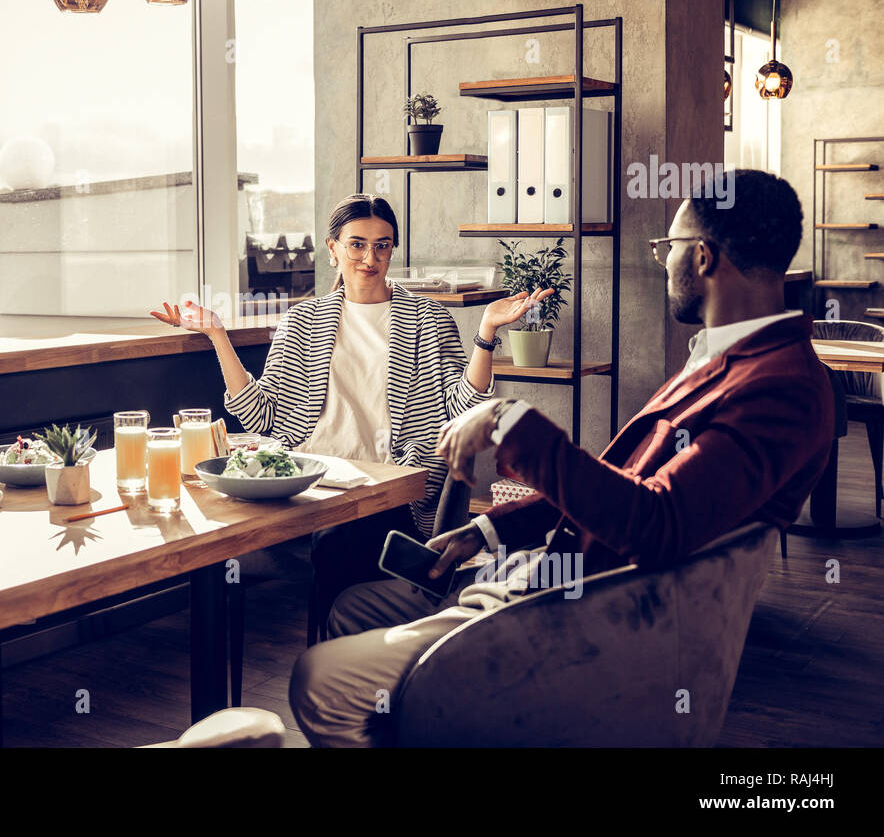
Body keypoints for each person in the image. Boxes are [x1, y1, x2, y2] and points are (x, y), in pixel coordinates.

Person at [289, 169, 835, 747]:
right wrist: (486, 530)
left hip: (579, 619)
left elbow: (657, 521)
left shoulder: (780, 387)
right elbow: (617, 483)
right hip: (546, 577)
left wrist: (509, 422)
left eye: (667, 248)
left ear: (702, 256)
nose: (661, 262)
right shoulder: (729, 359)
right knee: (353, 611)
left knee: (317, 680)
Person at [151, 194, 548, 624]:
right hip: (307, 484)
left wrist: (486, 333)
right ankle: (339, 660)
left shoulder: (428, 318)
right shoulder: (303, 320)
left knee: (339, 539)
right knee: (219, 530)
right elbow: (261, 413)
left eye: (382, 245)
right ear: (333, 247)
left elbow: (462, 407)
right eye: (357, 244)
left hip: (387, 489)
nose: (369, 257)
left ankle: (332, 665)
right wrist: (217, 333)